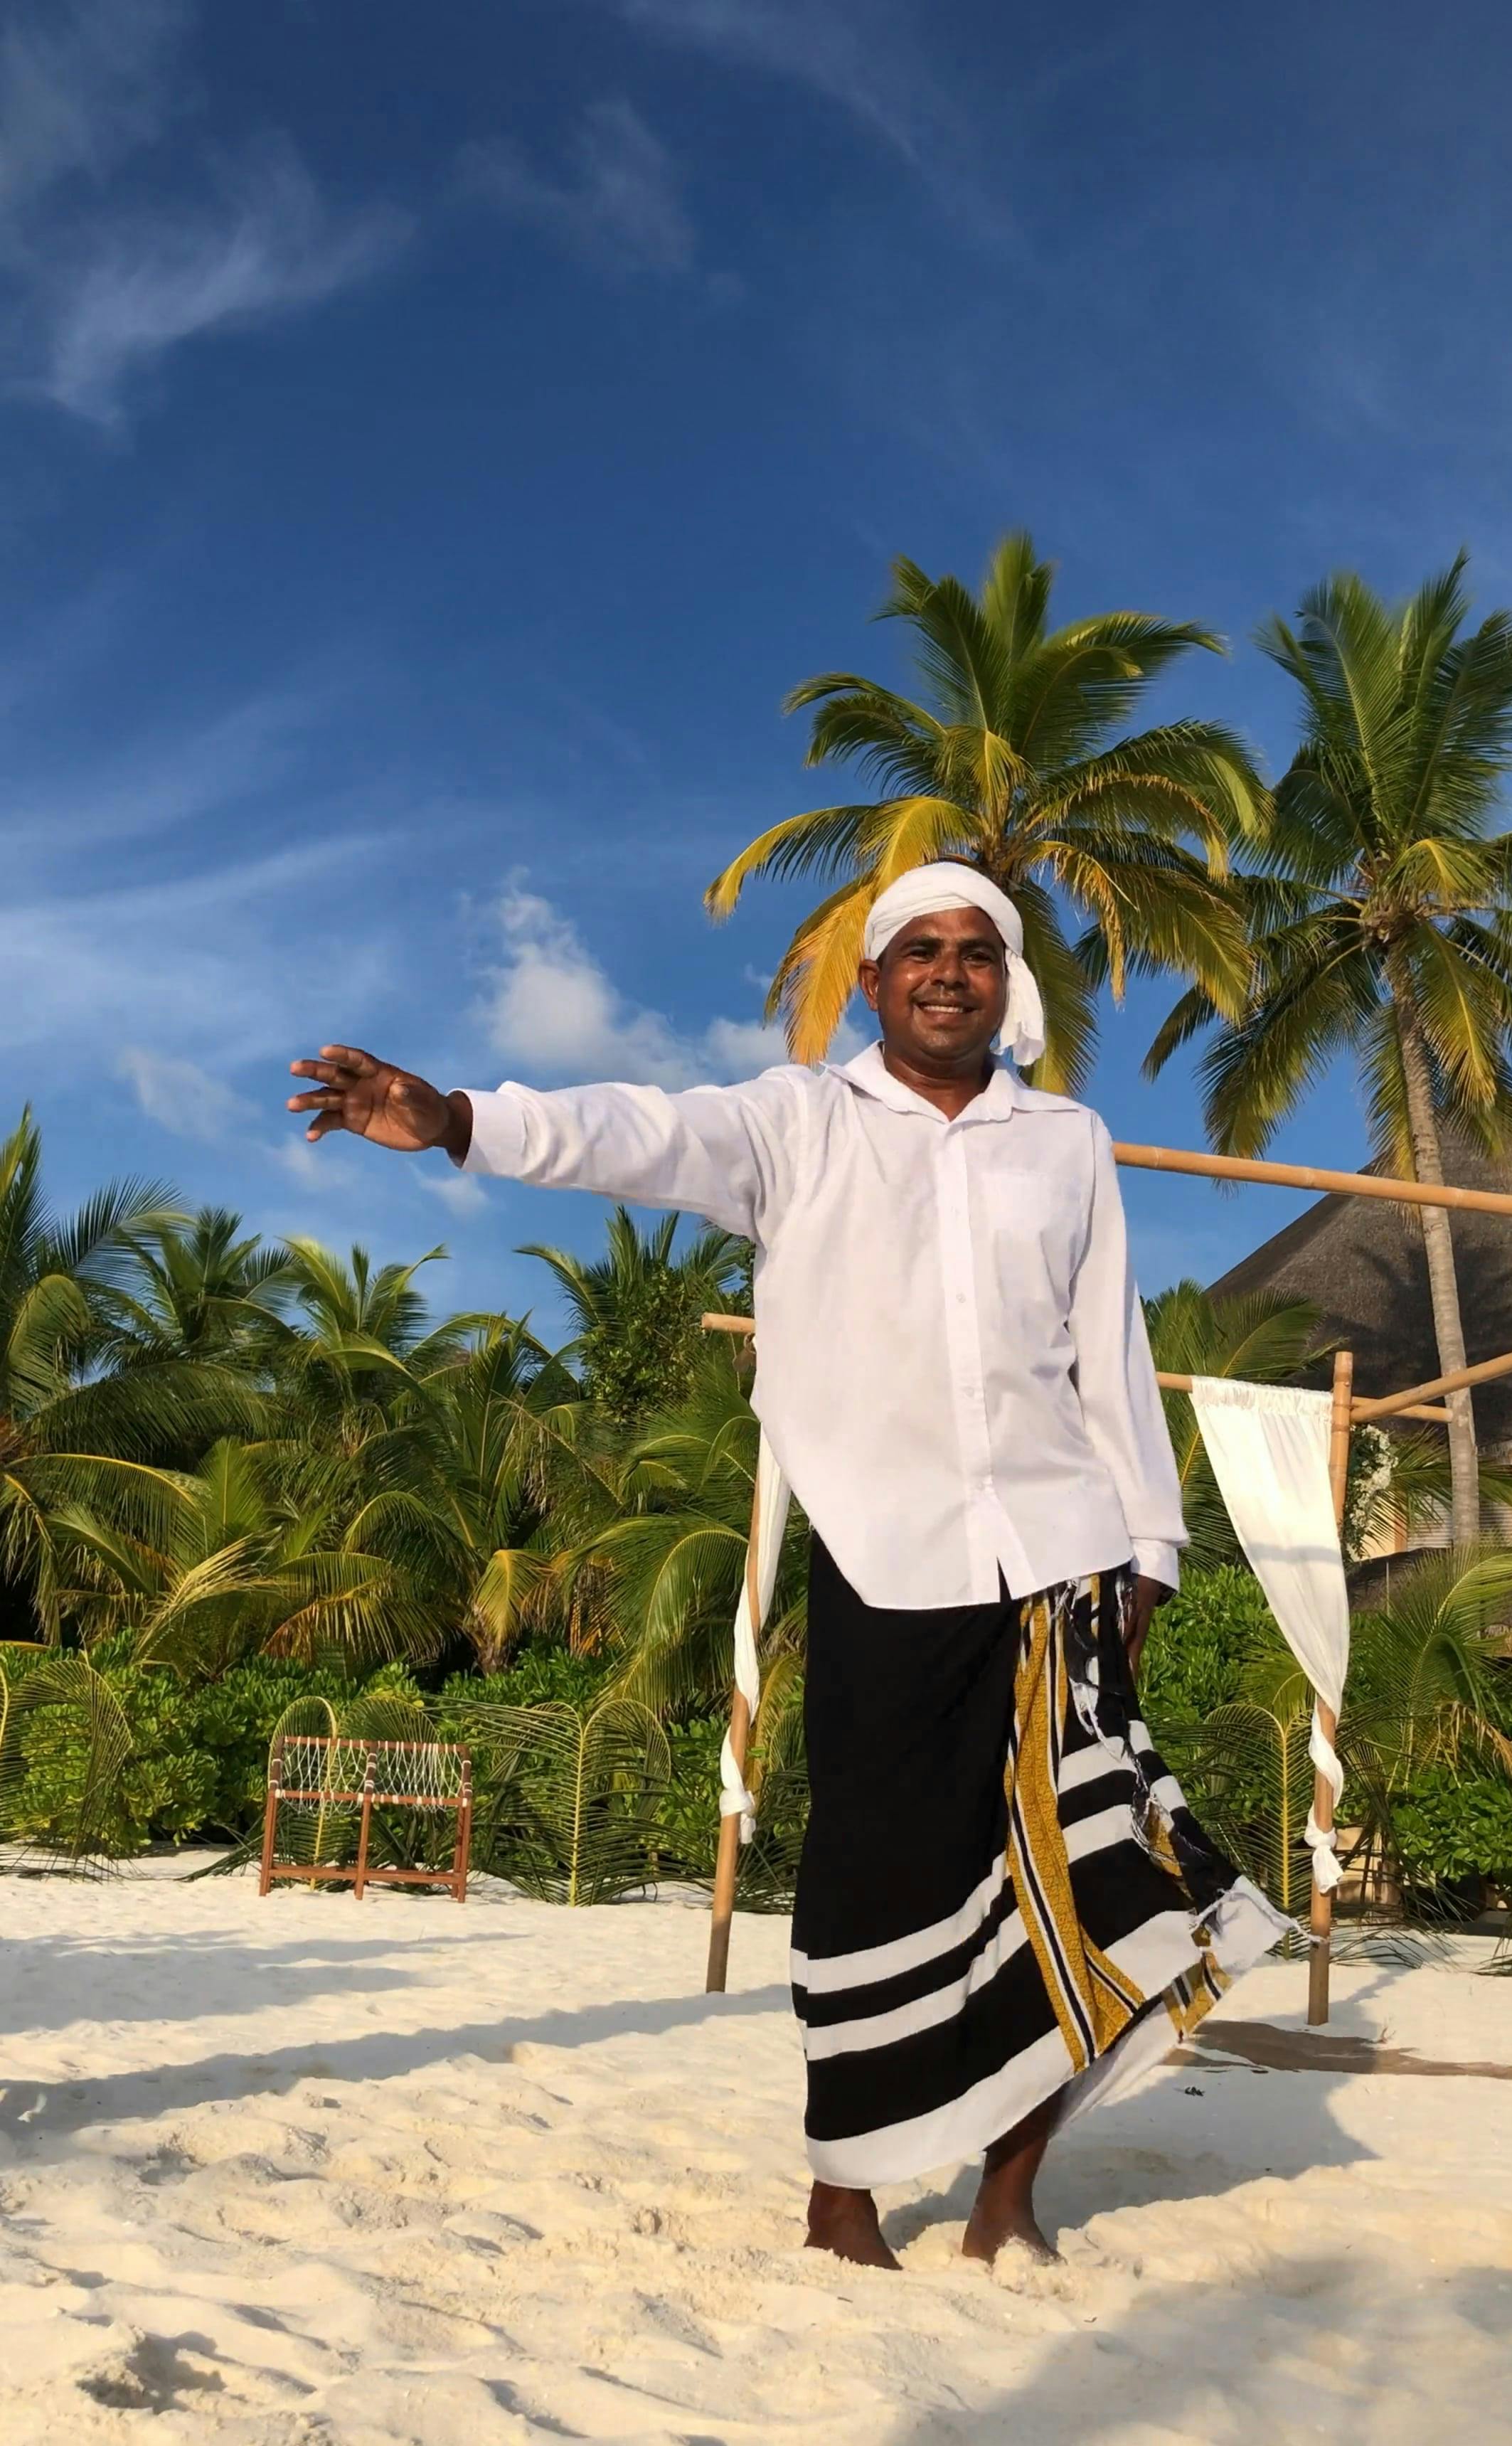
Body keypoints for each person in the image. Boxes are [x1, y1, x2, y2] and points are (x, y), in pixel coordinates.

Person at [289, 860, 1287, 2270]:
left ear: (1006, 983)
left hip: (1063, 1556)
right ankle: (844, 2190)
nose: (950, 972)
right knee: (873, 1868)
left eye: (978, 952)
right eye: (921, 951)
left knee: (1082, 1871)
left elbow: (1108, 1354)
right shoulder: (796, 1121)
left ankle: (1010, 2191)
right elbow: (636, 1129)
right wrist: (457, 1118)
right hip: (887, 1556)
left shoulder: (1066, 1141)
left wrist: (1152, 1552)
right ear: (874, 982)